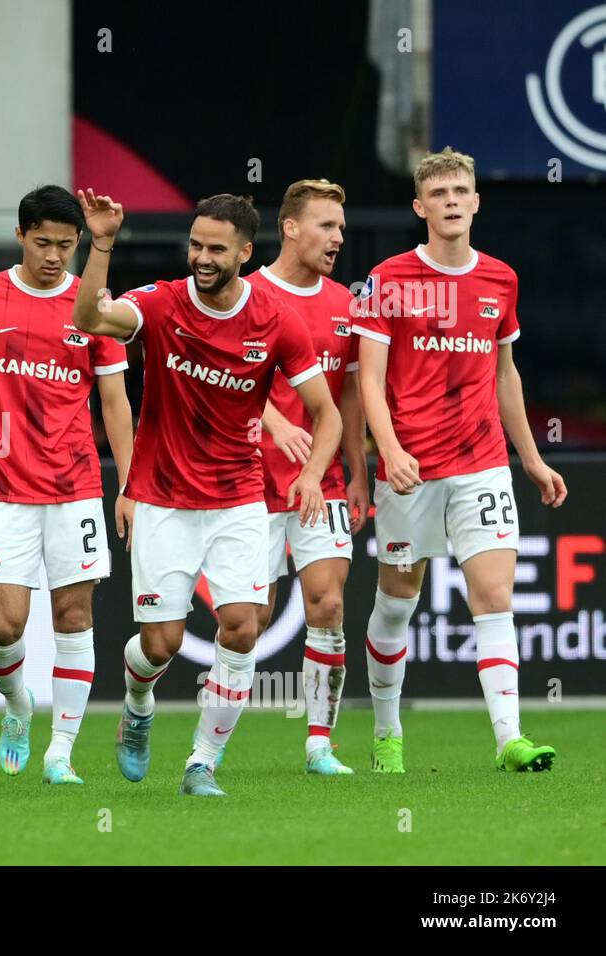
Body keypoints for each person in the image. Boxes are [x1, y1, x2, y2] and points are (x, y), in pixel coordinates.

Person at [72, 190, 342, 798]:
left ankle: (202, 762)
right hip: (164, 498)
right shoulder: (162, 303)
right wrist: (102, 243)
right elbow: (87, 319)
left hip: (239, 499)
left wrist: (308, 476)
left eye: (216, 248)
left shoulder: (276, 320)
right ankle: (137, 700)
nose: (202, 257)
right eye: (195, 244)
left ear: (245, 252)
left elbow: (328, 415)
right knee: (161, 644)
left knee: (243, 625)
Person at [352, 146, 565, 774]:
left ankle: (509, 740)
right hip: (410, 469)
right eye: (438, 194)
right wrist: (387, 450)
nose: (450, 202)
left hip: (482, 464)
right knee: (398, 600)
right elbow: (369, 379)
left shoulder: (501, 279)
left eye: (460, 191)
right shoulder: (386, 280)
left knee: (494, 596)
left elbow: (505, 374)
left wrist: (530, 457)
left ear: (475, 201)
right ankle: (387, 732)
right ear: (420, 207)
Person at [0, 185, 133, 785]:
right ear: (20, 236)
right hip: (4, 489)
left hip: (75, 487)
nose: (53, 255)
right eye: (42, 242)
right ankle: (18, 706)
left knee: (73, 616)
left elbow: (116, 404)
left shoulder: (92, 308)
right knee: (5, 626)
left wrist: (129, 484)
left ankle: (61, 752)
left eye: (66, 246)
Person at [247, 179, 368, 775]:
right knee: (251, 621)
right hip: (247, 481)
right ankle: (156, 708)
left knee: (327, 603)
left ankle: (320, 742)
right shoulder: (243, 295)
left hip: (322, 483)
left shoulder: (347, 305)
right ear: (290, 227)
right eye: (326, 225)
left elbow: (350, 400)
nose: (337, 237)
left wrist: (358, 473)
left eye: (341, 228)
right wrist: (273, 423)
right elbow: (227, 380)